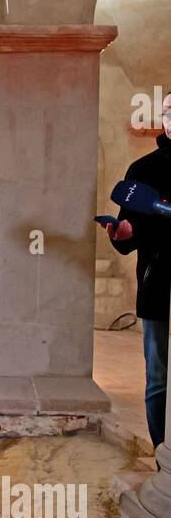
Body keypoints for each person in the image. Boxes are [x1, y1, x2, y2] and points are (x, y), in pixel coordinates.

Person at [107, 92, 171, 449]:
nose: (169, 119)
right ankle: (163, 455)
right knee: (158, 375)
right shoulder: (143, 171)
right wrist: (123, 234)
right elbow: (128, 234)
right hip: (158, 282)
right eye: (166, 113)